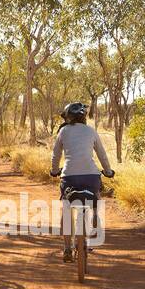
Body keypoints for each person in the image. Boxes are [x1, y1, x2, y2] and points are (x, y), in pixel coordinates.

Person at [49, 101, 114, 262]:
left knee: (66, 208)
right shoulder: (91, 131)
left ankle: (66, 248)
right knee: (95, 196)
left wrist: (54, 170)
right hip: (90, 176)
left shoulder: (63, 131)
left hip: (69, 176)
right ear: (83, 117)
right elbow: (102, 154)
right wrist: (108, 171)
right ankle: (94, 215)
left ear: (68, 117)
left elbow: (56, 155)